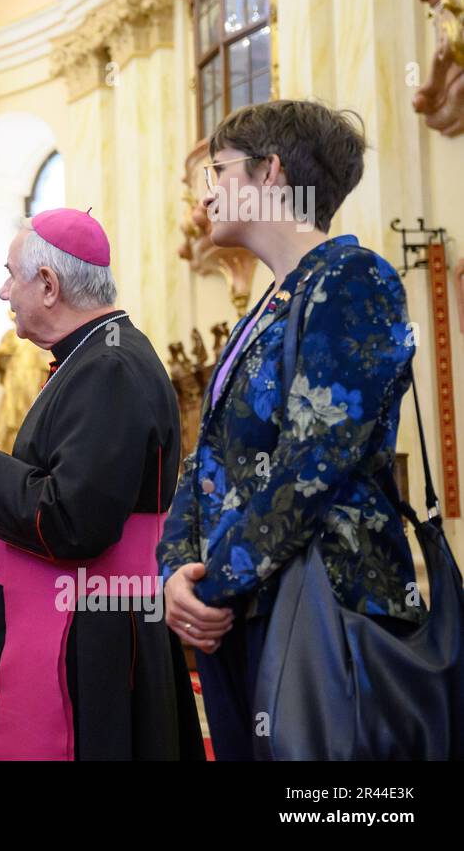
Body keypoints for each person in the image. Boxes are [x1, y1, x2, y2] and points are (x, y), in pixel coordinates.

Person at [158, 100, 423, 760]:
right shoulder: (267, 306)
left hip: (323, 610)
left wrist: (211, 585)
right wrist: (174, 574)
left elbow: (316, 462)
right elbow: (205, 460)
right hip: (243, 612)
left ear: (271, 173)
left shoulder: (352, 280)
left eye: (218, 170)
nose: (207, 191)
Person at [0, 208, 203, 760]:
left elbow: (75, 521)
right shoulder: (92, 356)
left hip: (92, 633)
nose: (1, 291)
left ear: (48, 284)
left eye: (11, 274)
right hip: (88, 620)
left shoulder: (107, 367)